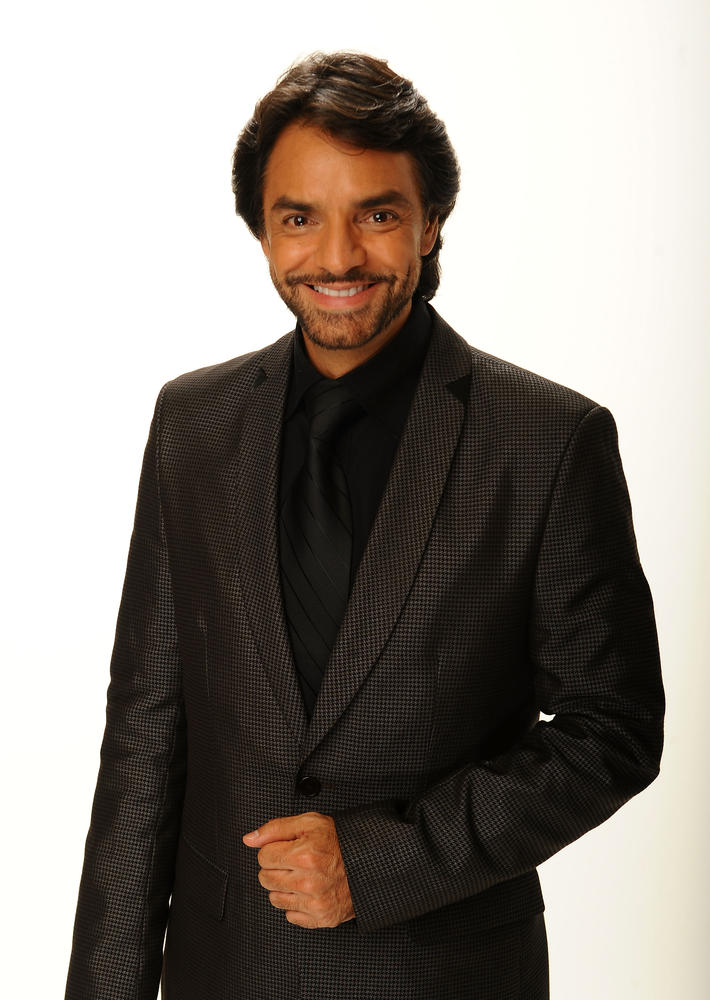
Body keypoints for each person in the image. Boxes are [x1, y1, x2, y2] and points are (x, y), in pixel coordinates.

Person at [65, 51, 664, 1000]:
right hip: (227, 972)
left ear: (432, 222)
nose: (337, 257)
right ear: (262, 230)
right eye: (299, 217)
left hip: (444, 975)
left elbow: (613, 729)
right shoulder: (195, 424)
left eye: (377, 215)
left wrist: (383, 861)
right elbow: (145, 733)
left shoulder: (548, 440)